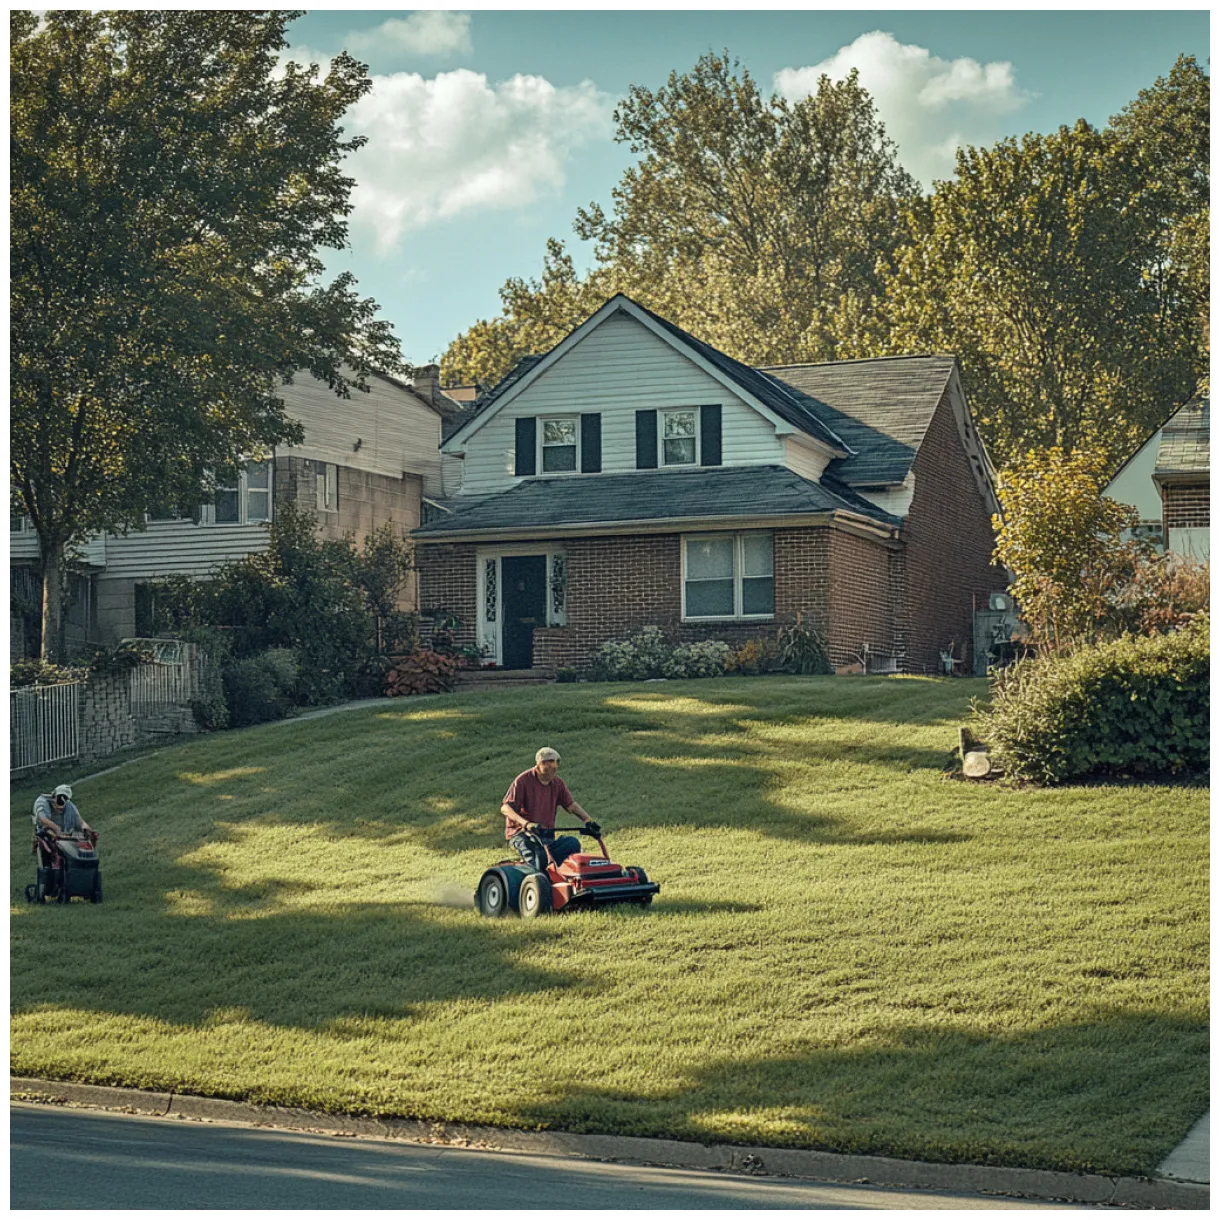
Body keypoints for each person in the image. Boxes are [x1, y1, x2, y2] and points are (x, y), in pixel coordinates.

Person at [501, 747, 601, 872]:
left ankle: (561, 879)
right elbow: (505, 808)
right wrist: (526, 824)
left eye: (555, 764)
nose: (554, 768)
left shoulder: (557, 784)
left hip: (546, 836)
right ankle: (534, 881)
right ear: (540, 764)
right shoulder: (523, 781)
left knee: (572, 844)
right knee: (537, 861)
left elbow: (571, 805)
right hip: (523, 835)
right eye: (550, 764)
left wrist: (588, 820)